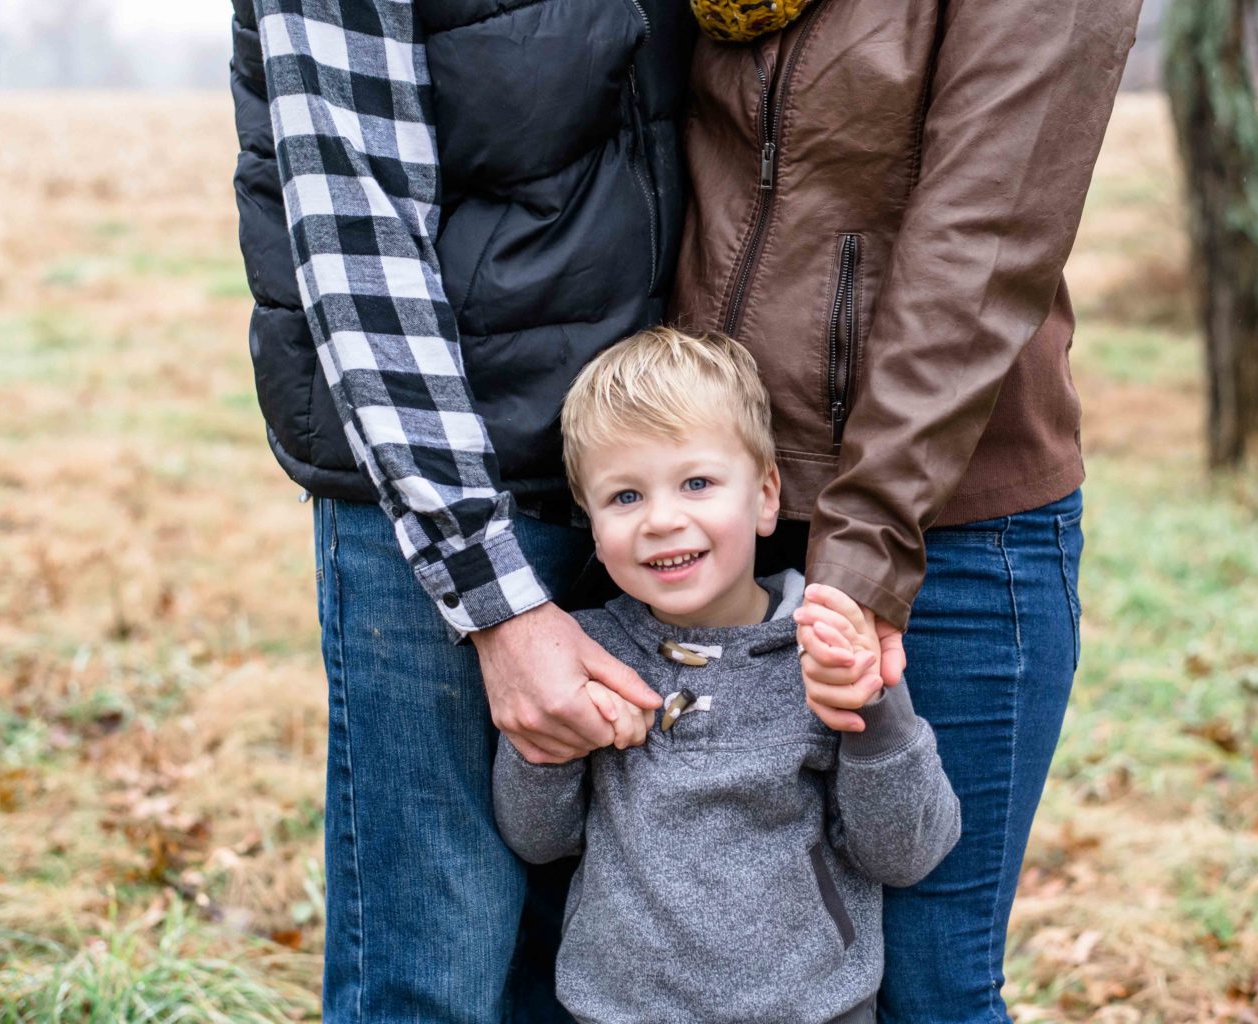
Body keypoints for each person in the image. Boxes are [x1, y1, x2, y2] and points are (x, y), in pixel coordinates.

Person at [669, 0, 1144, 1021]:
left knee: (931, 988)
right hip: (733, 516)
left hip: (947, 525)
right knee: (733, 978)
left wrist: (868, 545)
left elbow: (981, 240)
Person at [227, 0, 693, 1018]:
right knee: (437, 973)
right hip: (447, 494)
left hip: (632, 476)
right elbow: (360, 239)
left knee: (585, 972)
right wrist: (495, 601)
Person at [492, 327, 961, 1024]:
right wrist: (553, 746)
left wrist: (873, 708)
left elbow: (906, 853)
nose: (661, 519)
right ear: (589, 522)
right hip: (620, 1011)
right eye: (624, 497)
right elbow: (539, 839)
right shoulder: (591, 651)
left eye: (697, 483)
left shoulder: (828, 648)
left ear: (766, 495)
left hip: (813, 1010)